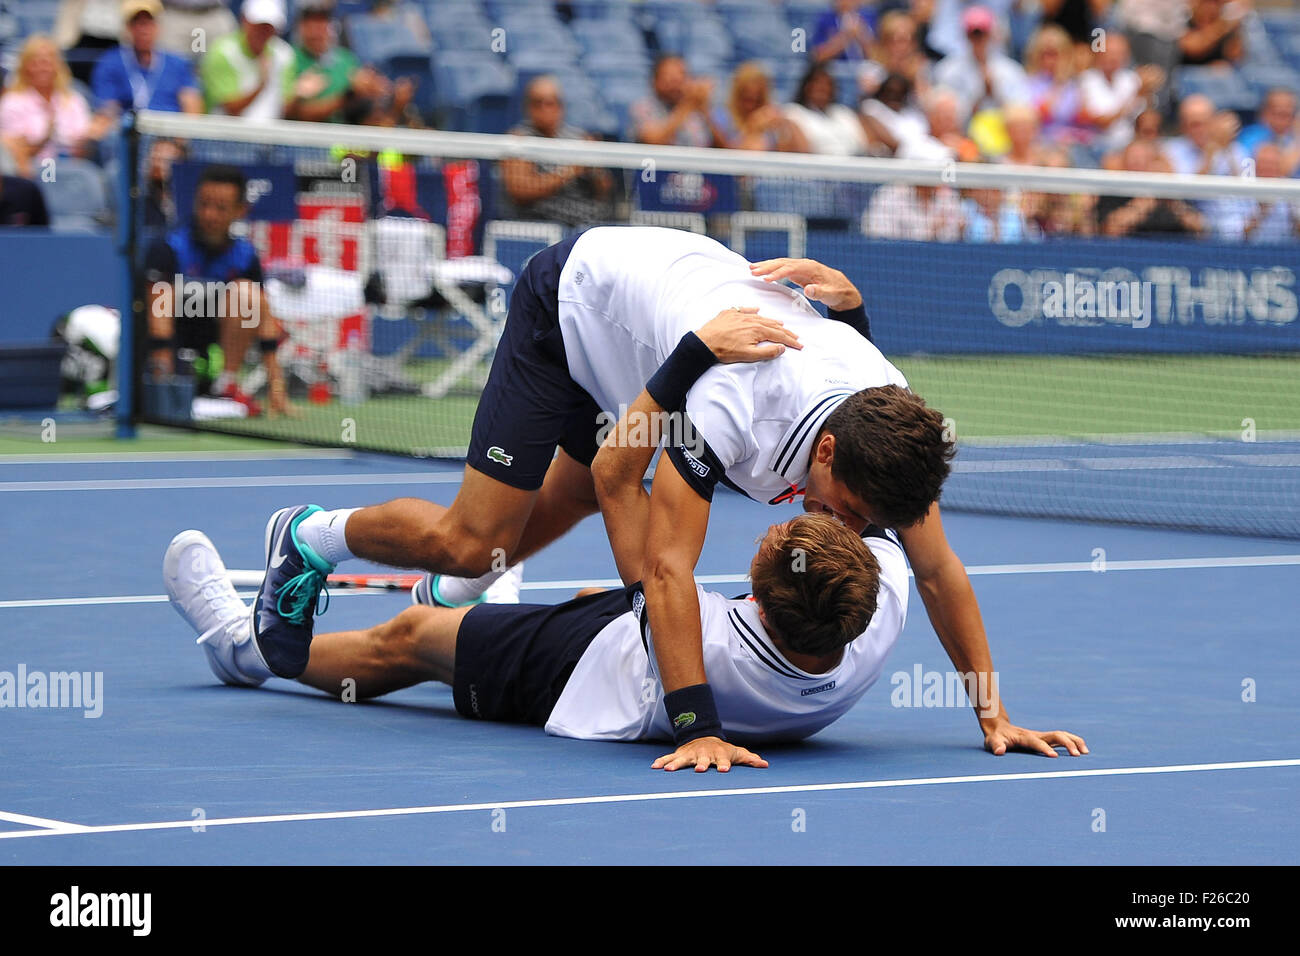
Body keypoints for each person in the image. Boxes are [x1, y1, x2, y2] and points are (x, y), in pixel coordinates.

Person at [246, 226, 1044, 774]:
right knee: (472, 535)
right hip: (578, 307)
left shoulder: (887, 438)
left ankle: (450, 593)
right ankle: (315, 534)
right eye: (852, 509)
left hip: (664, 327)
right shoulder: (732, 408)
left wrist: (990, 713)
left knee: (551, 510)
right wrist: (697, 727)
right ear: (825, 451)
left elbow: (938, 572)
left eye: (870, 524)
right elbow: (665, 568)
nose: (855, 529)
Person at [167, 407, 1086, 767]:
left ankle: (245, 651)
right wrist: (991, 711)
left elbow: (618, 478)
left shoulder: (697, 635)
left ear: (751, 597)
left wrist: (683, 369)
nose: (786, 514)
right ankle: (468, 595)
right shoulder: (876, 607)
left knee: (405, 647)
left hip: (596, 680)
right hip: (631, 636)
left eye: (783, 531)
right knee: (570, 596)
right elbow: (929, 564)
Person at [140, 164, 294, 417]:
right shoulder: (169, 247)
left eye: (221, 208)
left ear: (240, 210)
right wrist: (163, 374)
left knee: (247, 293)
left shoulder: (245, 256)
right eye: (204, 204)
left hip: (215, 343)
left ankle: (226, 385)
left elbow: (265, 319)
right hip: (170, 341)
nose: (209, 214)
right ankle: (168, 376)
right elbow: (159, 310)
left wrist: (277, 388)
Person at [500, 75, 613, 228]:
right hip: (541, 225)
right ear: (528, 107)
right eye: (538, 103)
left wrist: (595, 168)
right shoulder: (519, 139)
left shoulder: (579, 137)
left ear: (561, 107)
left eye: (551, 103)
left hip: (587, 224)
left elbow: (604, 190)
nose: (545, 109)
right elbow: (520, 192)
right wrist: (570, 171)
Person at [0, 35, 106, 179]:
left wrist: (92, 134)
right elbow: (13, 151)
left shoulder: (74, 99)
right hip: (32, 170)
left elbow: (81, 147)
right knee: (51, 172)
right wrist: (45, 137)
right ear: (25, 66)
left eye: (47, 61)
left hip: (73, 167)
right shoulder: (12, 102)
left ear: (57, 65)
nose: (42, 67)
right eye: (35, 62)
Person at [284, 0, 396, 124]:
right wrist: (349, 95)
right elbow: (299, 114)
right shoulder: (288, 58)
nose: (316, 32)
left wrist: (390, 100)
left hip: (345, 136)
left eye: (321, 25)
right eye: (310, 26)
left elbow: (367, 109)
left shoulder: (346, 60)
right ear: (301, 28)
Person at [91, 0, 203, 117]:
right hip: (129, 129)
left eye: (148, 23)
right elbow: (107, 109)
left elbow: (192, 107)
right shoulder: (110, 62)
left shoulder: (177, 63)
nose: (143, 30)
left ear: (157, 26)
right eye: (137, 23)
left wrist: (181, 134)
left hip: (170, 129)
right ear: (128, 28)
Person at [931, 5, 1028, 125]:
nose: (978, 39)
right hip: (964, 136)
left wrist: (995, 92)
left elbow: (1022, 113)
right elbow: (948, 117)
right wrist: (980, 96)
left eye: (982, 33)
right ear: (966, 35)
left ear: (991, 34)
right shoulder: (948, 70)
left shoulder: (1011, 70)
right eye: (973, 34)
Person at [199, 0, 295, 121]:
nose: (262, 31)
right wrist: (262, 84)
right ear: (245, 20)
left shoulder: (285, 54)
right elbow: (231, 108)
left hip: (269, 136)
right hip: (226, 132)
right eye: (258, 25)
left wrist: (299, 94)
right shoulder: (222, 51)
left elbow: (285, 107)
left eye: (268, 27)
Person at [1077, 33, 1164, 157]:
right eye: (1109, 52)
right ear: (1099, 54)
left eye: (1118, 53)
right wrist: (1137, 95)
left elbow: (1145, 118)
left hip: (1128, 145)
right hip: (1096, 146)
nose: (1113, 58)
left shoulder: (1131, 79)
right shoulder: (1087, 80)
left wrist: (1150, 88)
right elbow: (1102, 123)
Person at [1096, 140, 1205, 237]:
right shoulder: (1113, 193)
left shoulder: (1171, 193)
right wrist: (1144, 202)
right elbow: (1110, 230)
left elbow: (1199, 229)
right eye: (1133, 159)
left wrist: (1173, 204)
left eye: (1143, 159)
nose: (1137, 164)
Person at [629, 54, 725, 148]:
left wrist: (704, 111)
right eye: (670, 79)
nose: (676, 85)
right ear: (655, 81)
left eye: (681, 77)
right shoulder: (643, 107)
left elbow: (725, 149)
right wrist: (687, 105)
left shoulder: (696, 109)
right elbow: (653, 141)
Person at [714, 62, 809, 152]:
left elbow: (802, 151)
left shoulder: (770, 117)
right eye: (746, 99)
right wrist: (753, 130)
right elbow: (731, 155)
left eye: (757, 99)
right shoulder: (723, 116)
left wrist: (785, 122)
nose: (750, 105)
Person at [783, 62, 869, 156]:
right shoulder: (793, 112)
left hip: (854, 164)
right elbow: (803, 149)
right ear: (807, 87)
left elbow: (864, 144)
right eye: (818, 84)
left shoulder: (842, 112)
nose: (823, 88)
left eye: (828, 84)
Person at [1238, 88, 1300, 173]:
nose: (1284, 120)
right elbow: (1247, 168)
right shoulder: (1250, 136)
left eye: (1288, 114)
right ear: (1265, 113)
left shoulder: (1294, 136)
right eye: (1279, 113)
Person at [812, 0, 876, 63]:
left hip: (865, 68)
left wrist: (862, 34)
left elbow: (878, 58)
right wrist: (846, 36)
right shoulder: (825, 19)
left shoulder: (870, 17)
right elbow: (818, 56)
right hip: (834, 68)